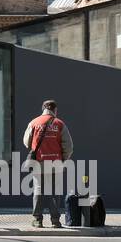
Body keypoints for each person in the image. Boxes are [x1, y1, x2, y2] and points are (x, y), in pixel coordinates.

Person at [23, 98, 73, 228]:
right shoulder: (60, 124)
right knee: (55, 191)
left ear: (43, 109)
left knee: (38, 190)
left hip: (38, 162)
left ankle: (37, 220)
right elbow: (69, 146)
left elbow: (26, 142)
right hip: (55, 162)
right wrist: (63, 159)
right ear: (55, 110)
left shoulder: (34, 122)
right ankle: (55, 221)